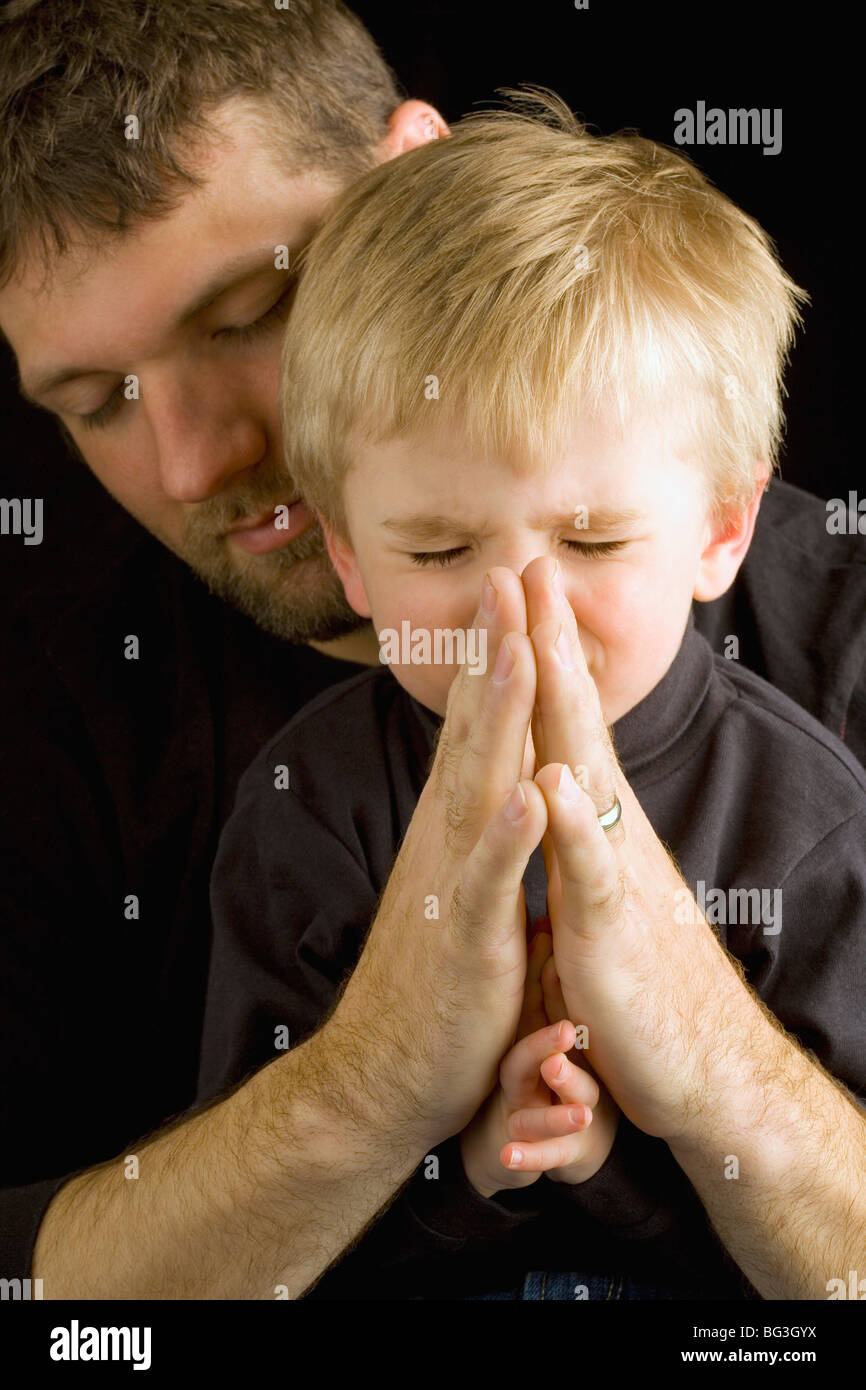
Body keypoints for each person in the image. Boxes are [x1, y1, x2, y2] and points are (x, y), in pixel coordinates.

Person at [0, 0, 861, 1300]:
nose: (195, 460)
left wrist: (703, 1043)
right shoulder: (59, 713)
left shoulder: (833, 639)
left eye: (246, 313)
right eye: (95, 401)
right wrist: (370, 1085)